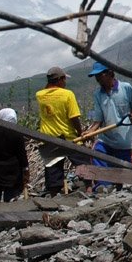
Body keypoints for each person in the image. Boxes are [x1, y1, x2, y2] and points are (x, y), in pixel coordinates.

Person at [85, 62, 132, 191]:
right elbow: (98, 120)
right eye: (96, 76)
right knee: (98, 154)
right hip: (106, 139)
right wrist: (89, 132)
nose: (97, 79)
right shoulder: (98, 94)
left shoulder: (126, 88)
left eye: (100, 75)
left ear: (110, 74)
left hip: (124, 140)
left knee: (126, 179)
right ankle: (103, 187)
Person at [35, 66, 86, 196]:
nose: (65, 82)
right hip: (68, 137)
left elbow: (47, 90)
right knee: (83, 164)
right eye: (64, 79)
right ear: (60, 80)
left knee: (53, 170)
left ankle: (54, 196)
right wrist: (80, 133)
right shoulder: (67, 94)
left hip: (49, 138)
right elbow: (74, 117)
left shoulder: (39, 95)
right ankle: (89, 190)